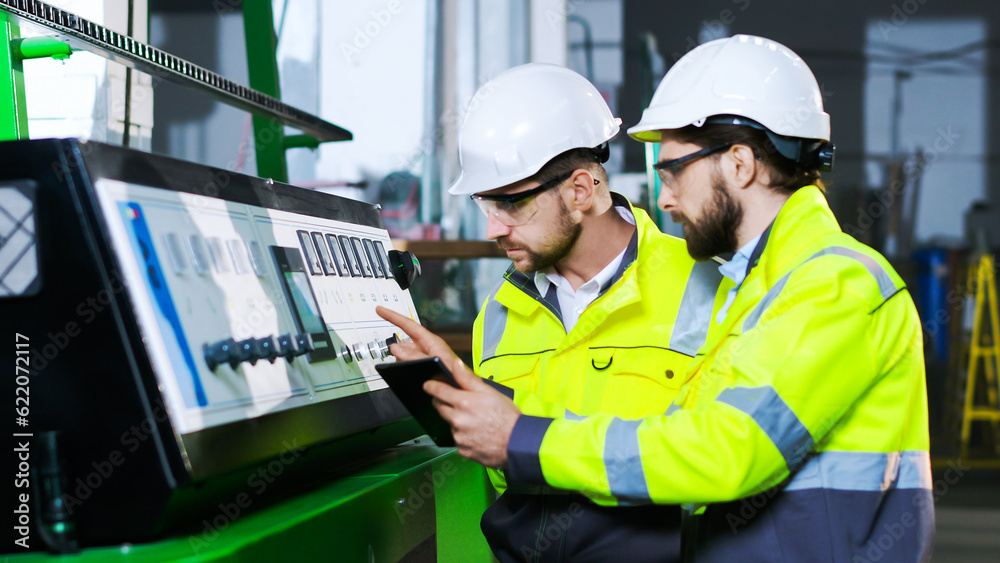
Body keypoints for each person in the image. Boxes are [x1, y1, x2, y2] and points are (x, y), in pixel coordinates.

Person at [378, 35, 933, 562]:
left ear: (739, 164)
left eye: (671, 170)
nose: (663, 197)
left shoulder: (833, 284)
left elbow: (723, 452)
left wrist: (522, 437)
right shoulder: (759, 289)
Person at [441, 63, 729, 562]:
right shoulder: (499, 312)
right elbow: (497, 476)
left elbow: (719, 461)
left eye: (510, 204)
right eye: (484, 204)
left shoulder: (708, 288)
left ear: (580, 190)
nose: (492, 229)